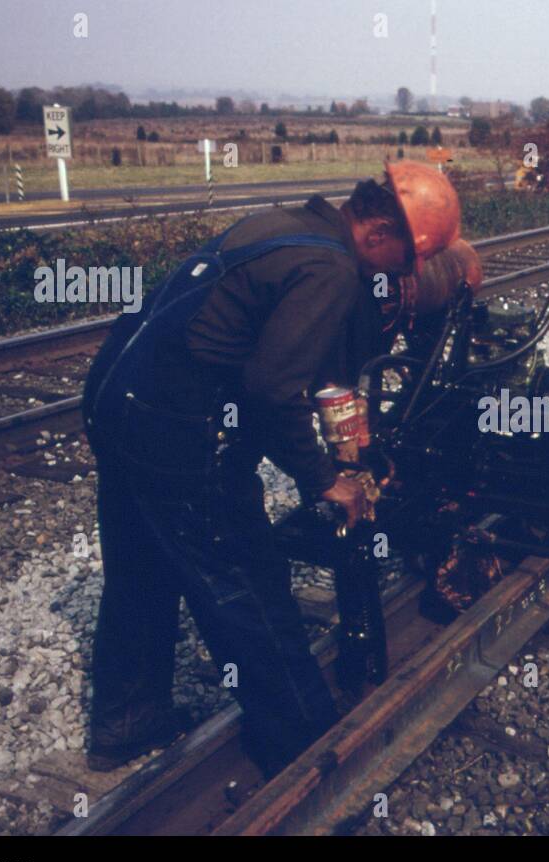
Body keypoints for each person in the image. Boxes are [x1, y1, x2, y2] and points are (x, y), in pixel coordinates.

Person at [80, 162, 461, 775]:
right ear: (380, 235)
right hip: (178, 429)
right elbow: (271, 389)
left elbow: (290, 358)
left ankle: (126, 724)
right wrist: (325, 479)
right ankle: (305, 748)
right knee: (247, 580)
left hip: (117, 406)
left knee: (141, 570)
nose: (396, 277)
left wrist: (347, 433)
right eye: (402, 263)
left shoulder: (283, 224)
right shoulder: (333, 269)